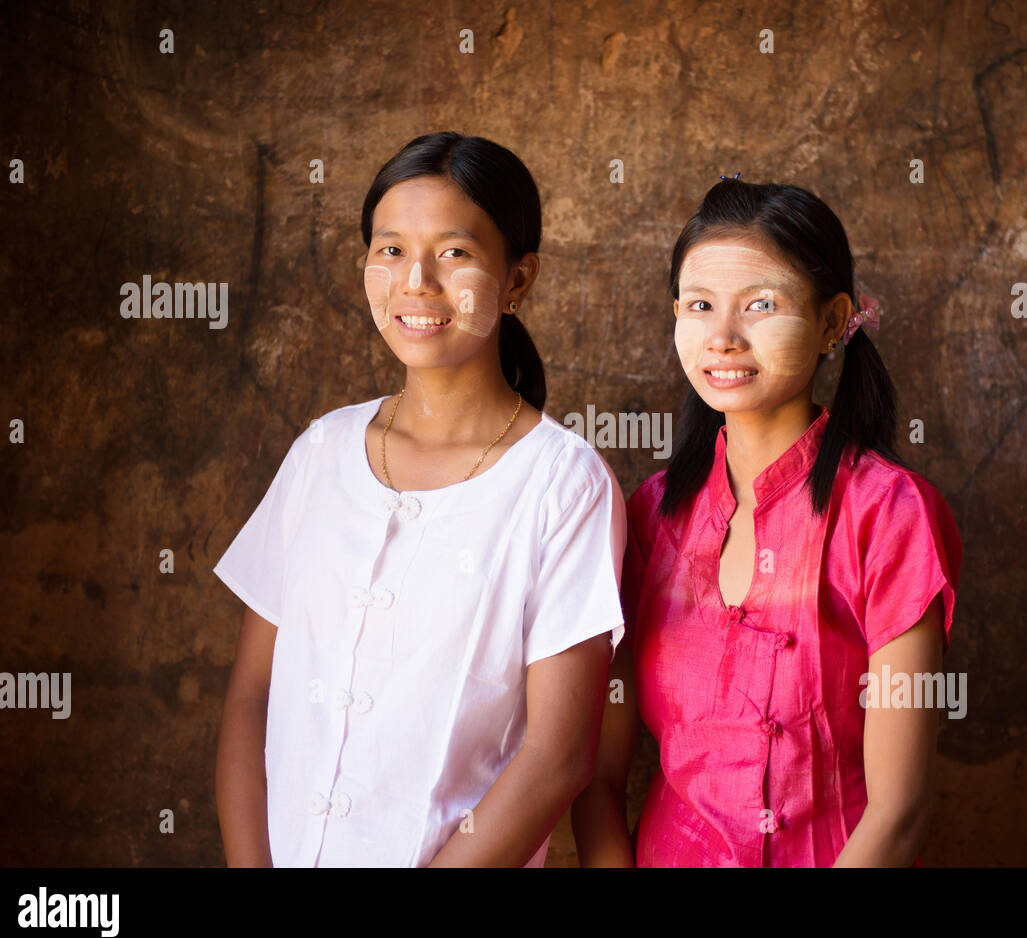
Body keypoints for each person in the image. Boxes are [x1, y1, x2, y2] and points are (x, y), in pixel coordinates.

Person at [213, 132, 626, 867]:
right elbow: (251, 695)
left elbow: (556, 759)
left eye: (455, 252)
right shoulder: (321, 453)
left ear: (518, 279)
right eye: (391, 249)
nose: (417, 281)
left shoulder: (564, 484)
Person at [572, 175, 963, 866]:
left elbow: (899, 812)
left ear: (830, 320)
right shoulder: (650, 516)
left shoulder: (890, 513)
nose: (722, 336)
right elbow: (599, 779)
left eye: (760, 304)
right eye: (699, 305)